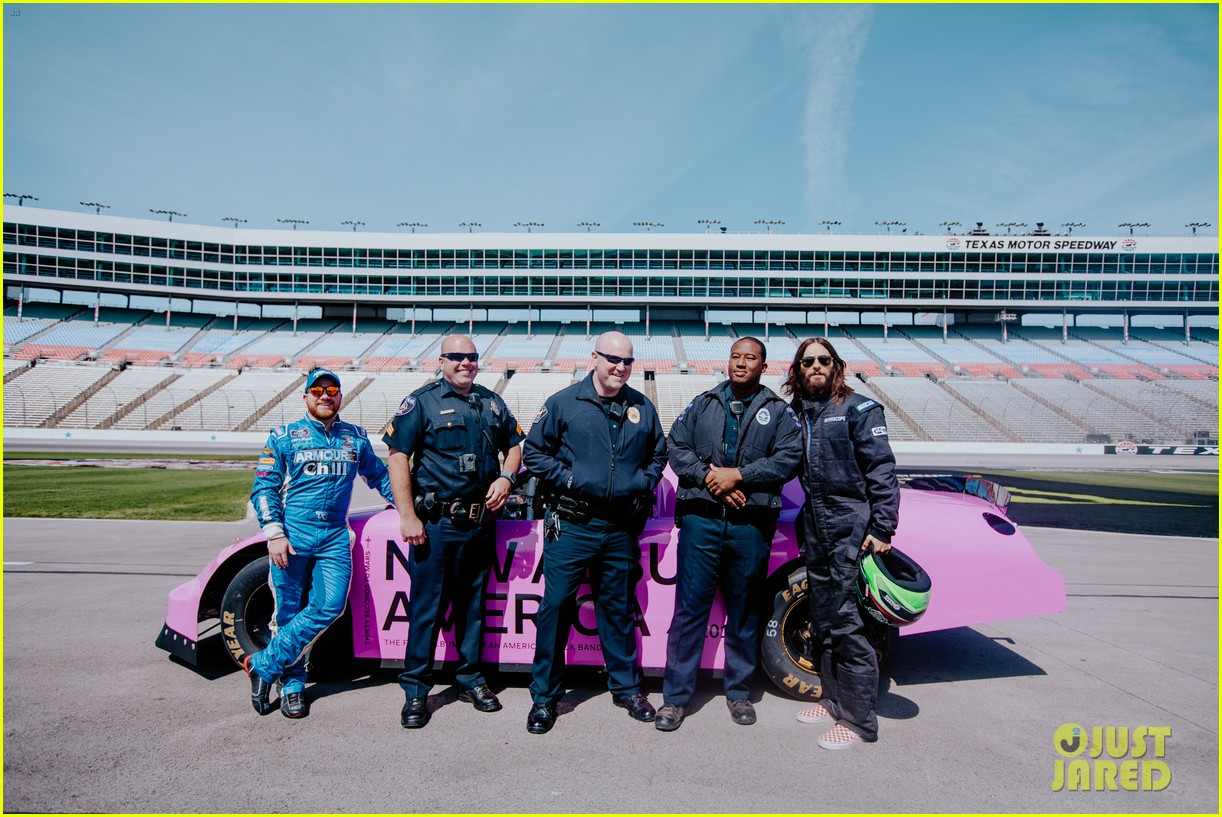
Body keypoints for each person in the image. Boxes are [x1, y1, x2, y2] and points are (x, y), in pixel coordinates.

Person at [522, 330, 668, 734]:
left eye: (627, 361)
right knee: (556, 609)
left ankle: (626, 689)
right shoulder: (564, 402)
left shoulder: (641, 406)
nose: (620, 368)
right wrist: (567, 479)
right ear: (595, 357)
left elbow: (659, 454)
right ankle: (545, 698)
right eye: (613, 359)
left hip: (620, 526)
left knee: (618, 610)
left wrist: (642, 483)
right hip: (572, 524)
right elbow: (534, 451)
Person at [655, 337, 802, 731]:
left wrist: (738, 476)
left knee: (744, 612)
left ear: (762, 365)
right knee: (688, 613)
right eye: (736, 356)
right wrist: (710, 477)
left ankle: (739, 693)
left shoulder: (779, 411)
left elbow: (788, 458)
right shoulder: (703, 403)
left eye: (749, 358)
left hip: (750, 526)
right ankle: (675, 698)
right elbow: (676, 446)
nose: (741, 363)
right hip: (702, 522)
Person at [383, 335, 524, 729]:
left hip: (480, 525)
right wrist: (407, 515)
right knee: (427, 610)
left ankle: (469, 679)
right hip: (436, 525)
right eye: (457, 357)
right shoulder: (421, 401)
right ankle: (415, 691)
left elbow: (515, 445)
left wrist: (507, 478)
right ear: (441, 360)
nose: (466, 363)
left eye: (472, 357)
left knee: (472, 608)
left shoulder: (492, 402)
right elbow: (397, 458)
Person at [247, 368, 395, 718]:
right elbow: (263, 489)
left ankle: (264, 664)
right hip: (293, 534)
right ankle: (293, 685)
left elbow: (380, 477)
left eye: (332, 390)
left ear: (340, 396)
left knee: (330, 605)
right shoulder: (283, 436)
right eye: (317, 390)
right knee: (287, 612)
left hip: (333, 536)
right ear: (306, 397)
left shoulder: (355, 438)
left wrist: (409, 508)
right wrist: (274, 533)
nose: (325, 395)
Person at [784, 337, 900, 750]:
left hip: (852, 526)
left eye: (823, 360)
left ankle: (859, 722)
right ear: (798, 370)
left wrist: (883, 528)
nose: (815, 366)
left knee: (851, 626)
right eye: (807, 361)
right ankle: (833, 701)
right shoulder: (797, 413)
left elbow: (882, 470)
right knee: (824, 618)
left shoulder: (860, 409)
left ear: (836, 365)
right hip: (816, 526)